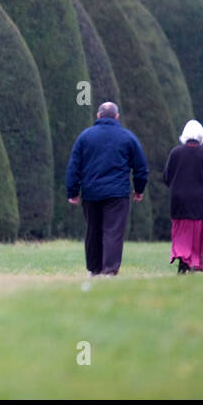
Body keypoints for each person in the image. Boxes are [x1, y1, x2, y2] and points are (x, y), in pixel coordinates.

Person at [65, 101, 147, 276]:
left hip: (91, 192)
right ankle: (109, 270)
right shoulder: (127, 137)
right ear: (117, 117)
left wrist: (73, 191)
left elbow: (74, 166)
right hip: (118, 194)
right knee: (113, 232)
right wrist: (139, 189)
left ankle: (93, 269)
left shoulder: (85, 136)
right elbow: (141, 168)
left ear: (98, 116)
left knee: (93, 231)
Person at [162, 119, 203, 273]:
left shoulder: (175, 153)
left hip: (179, 200)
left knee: (181, 230)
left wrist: (175, 187)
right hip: (200, 201)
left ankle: (183, 258)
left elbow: (166, 176)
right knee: (197, 231)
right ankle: (193, 260)